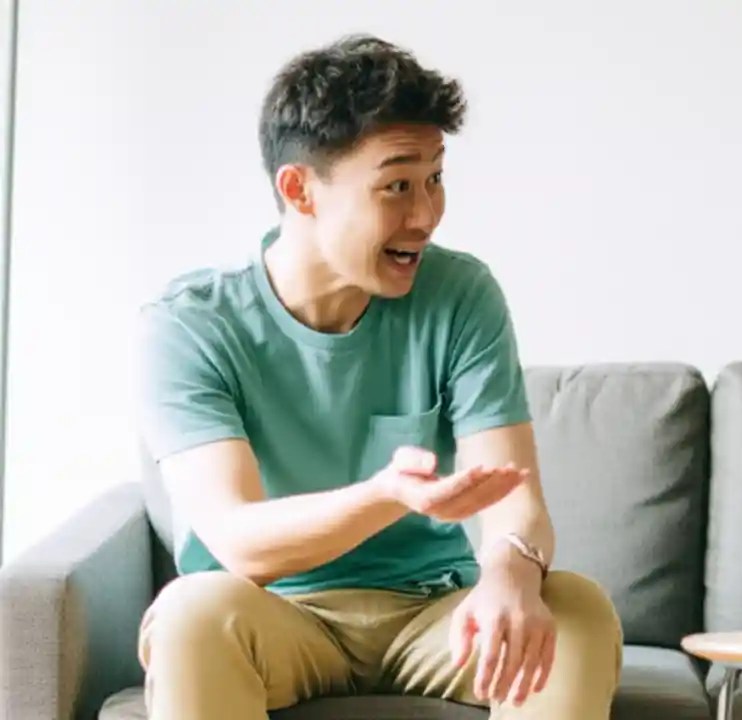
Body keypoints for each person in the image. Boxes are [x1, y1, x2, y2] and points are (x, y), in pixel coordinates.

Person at [133, 34, 622, 720]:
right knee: (190, 614)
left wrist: (511, 571)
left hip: (433, 612)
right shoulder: (191, 325)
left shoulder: (460, 295)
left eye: (435, 179)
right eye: (397, 186)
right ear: (299, 190)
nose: (426, 215)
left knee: (575, 608)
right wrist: (389, 494)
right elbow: (240, 541)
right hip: (272, 615)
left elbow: (516, 501)